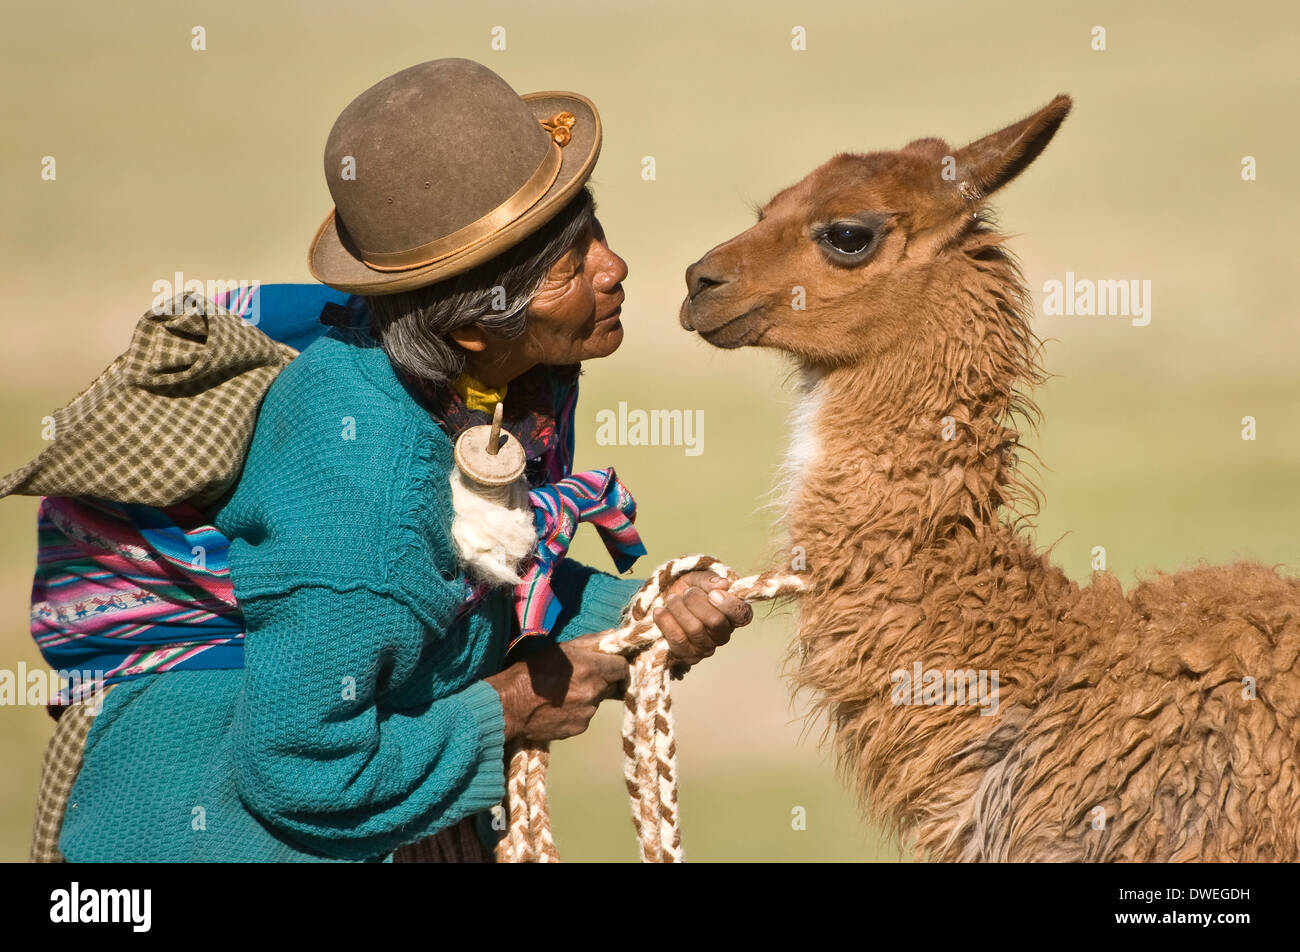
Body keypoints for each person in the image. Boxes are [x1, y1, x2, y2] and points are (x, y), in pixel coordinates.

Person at [19, 57, 753, 862]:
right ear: (474, 326)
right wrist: (507, 709)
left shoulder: (483, 384)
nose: (612, 270)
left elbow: (465, 577)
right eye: (566, 268)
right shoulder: (368, 488)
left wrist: (640, 611)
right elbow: (301, 773)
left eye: (591, 228)